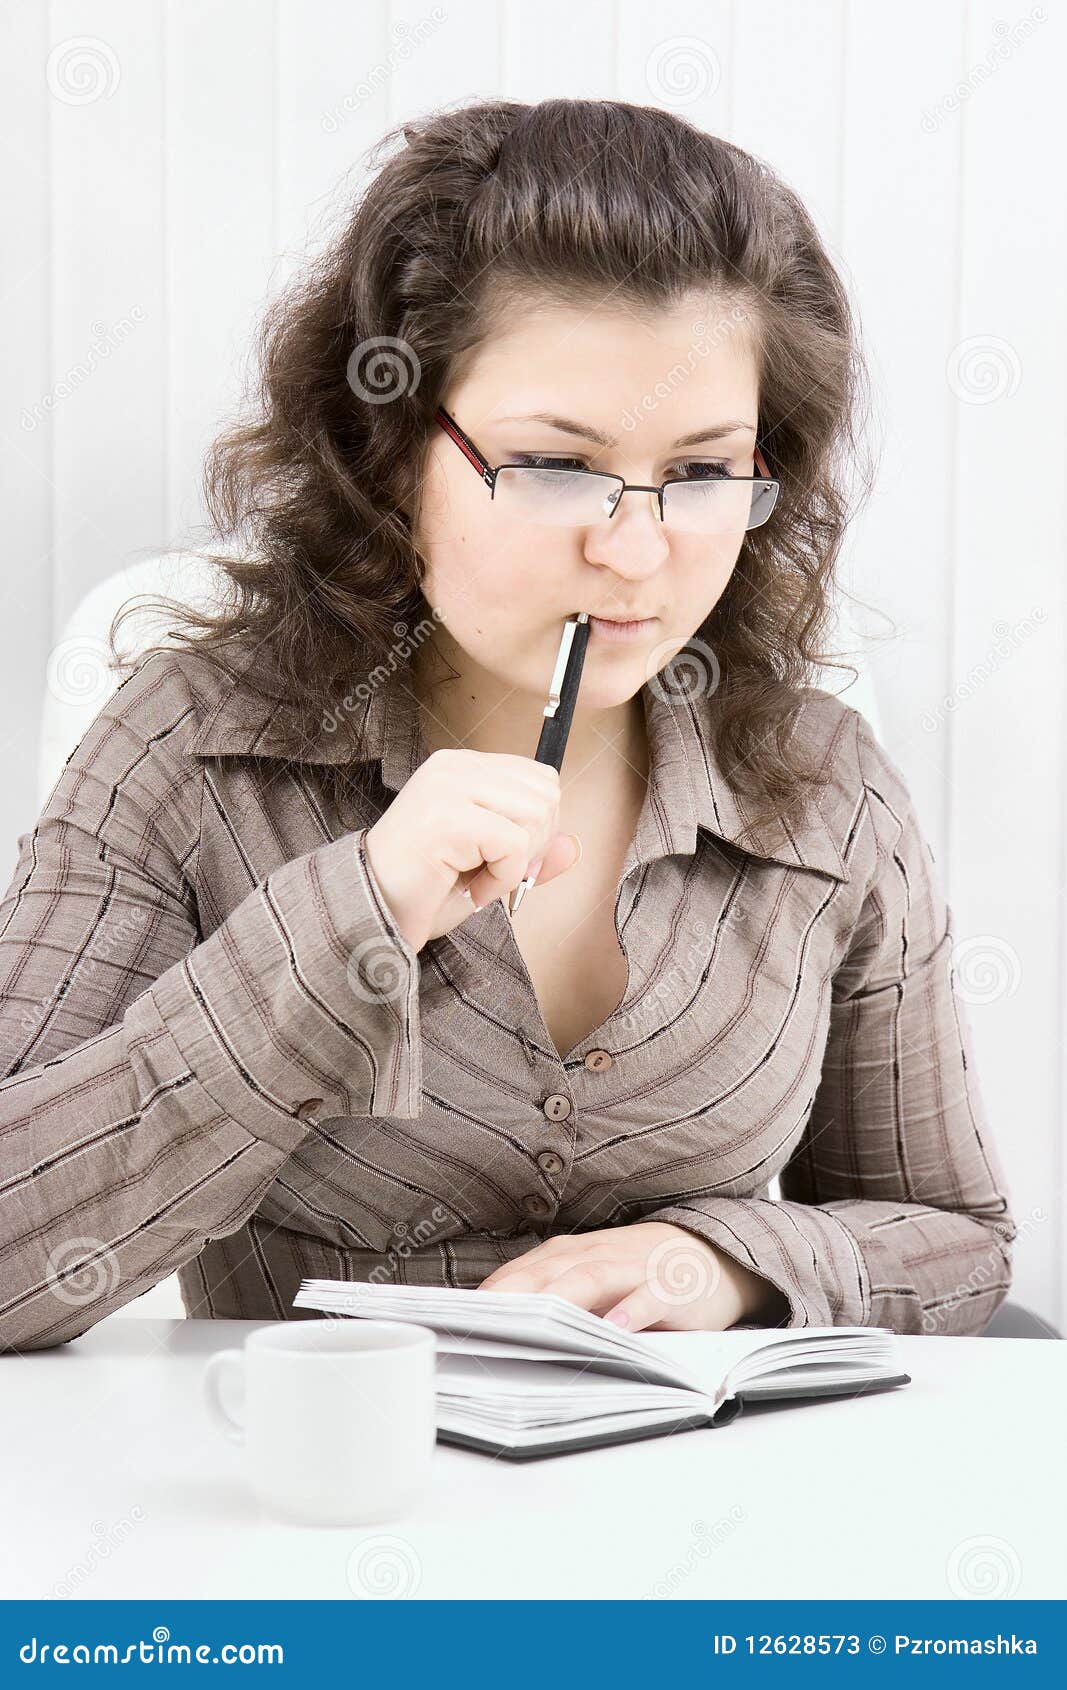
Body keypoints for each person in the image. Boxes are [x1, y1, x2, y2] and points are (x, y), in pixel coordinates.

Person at [0, 97, 1014, 1352]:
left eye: (700, 475)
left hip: (709, 1522)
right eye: (553, 465)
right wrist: (350, 916)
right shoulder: (188, 747)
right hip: (306, 1516)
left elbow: (955, 1236)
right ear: (388, 445)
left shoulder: (820, 783)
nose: (636, 551)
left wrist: (725, 1261)